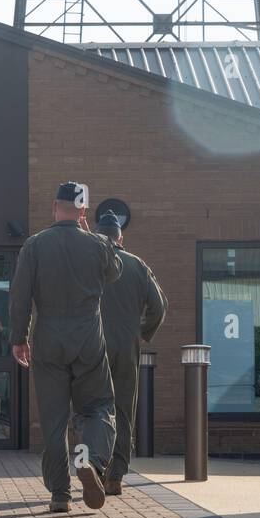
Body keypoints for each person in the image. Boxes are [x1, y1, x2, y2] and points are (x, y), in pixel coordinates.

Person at [9, 182, 121, 513]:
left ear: (54, 207)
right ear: (83, 212)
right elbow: (115, 273)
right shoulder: (99, 245)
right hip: (88, 340)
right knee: (98, 408)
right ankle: (90, 462)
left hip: (48, 339)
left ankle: (60, 494)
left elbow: (20, 295)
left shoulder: (34, 245)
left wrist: (19, 338)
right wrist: (95, 238)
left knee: (54, 421)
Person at [95, 211, 168, 495]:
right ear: (120, 237)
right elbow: (160, 306)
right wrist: (141, 332)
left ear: (98, 236)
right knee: (124, 411)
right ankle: (116, 475)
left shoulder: (91, 263)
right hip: (126, 347)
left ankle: (95, 465)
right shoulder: (137, 265)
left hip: (93, 346)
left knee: (94, 409)